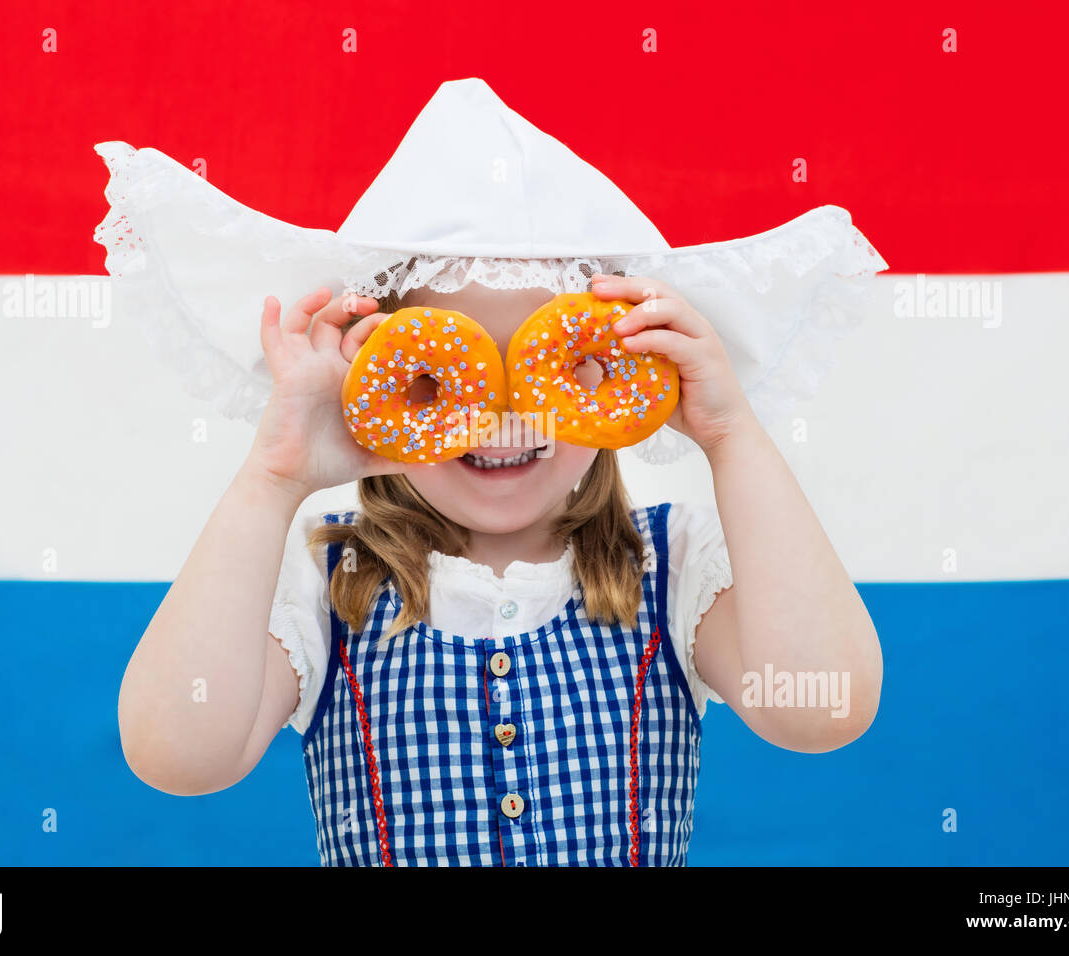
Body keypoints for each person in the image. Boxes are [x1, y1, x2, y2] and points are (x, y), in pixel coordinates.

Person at [104, 77, 886, 865]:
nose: (505, 414)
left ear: (623, 375)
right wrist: (272, 477)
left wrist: (730, 433)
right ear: (374, 379)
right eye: (444, 372)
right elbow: (178, 756)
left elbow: (825, 709)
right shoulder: (326, 580)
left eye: (557, 363)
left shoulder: (671, 565)